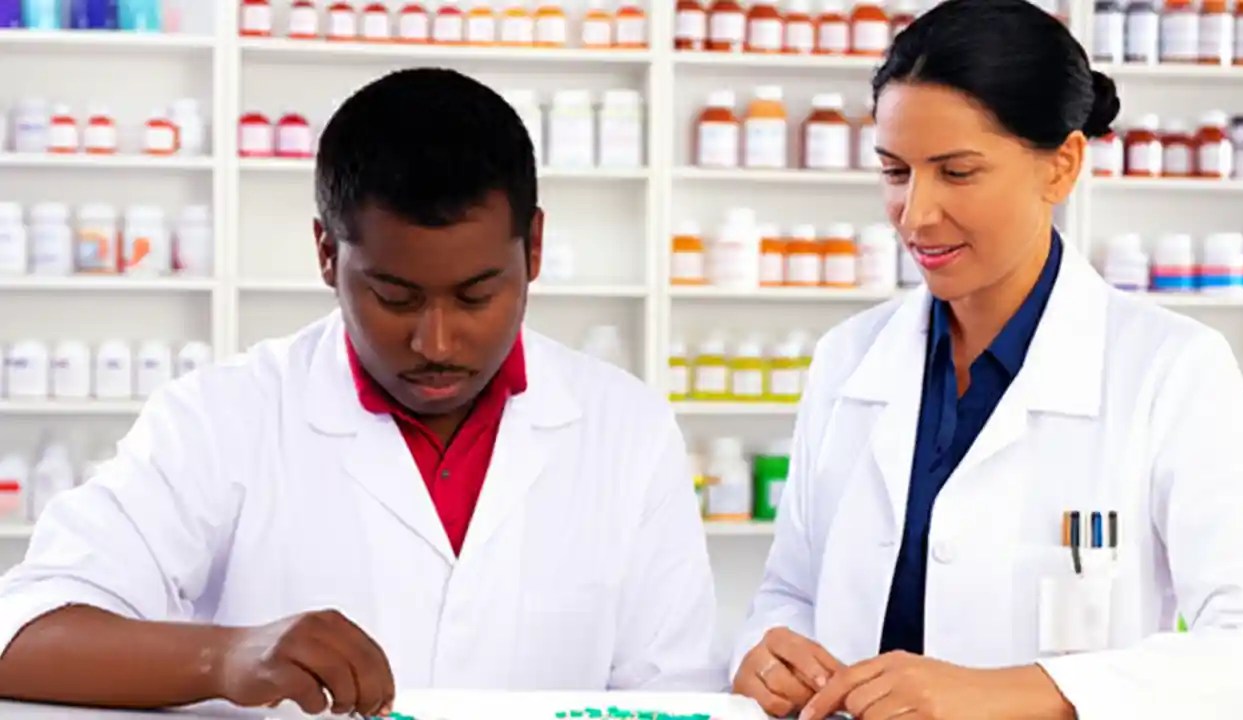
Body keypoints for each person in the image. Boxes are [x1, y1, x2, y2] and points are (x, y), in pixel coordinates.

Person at [0, 68, 719, 716]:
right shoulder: (221, 417)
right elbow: (22, 635)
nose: (436, 343)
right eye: (394, 297)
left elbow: (675, 695)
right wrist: (221, 656)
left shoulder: (627, 428)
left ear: (533, 248)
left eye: (476, 297)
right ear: (326, 254)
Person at [731, 1, 1243, 718]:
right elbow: (791, 591)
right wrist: (765, 650)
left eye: (956, 173)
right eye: (895, 172)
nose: (914, 213)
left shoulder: (1172, 370)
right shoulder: (848, 359)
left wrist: (1004, 694)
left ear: (1062, 166)